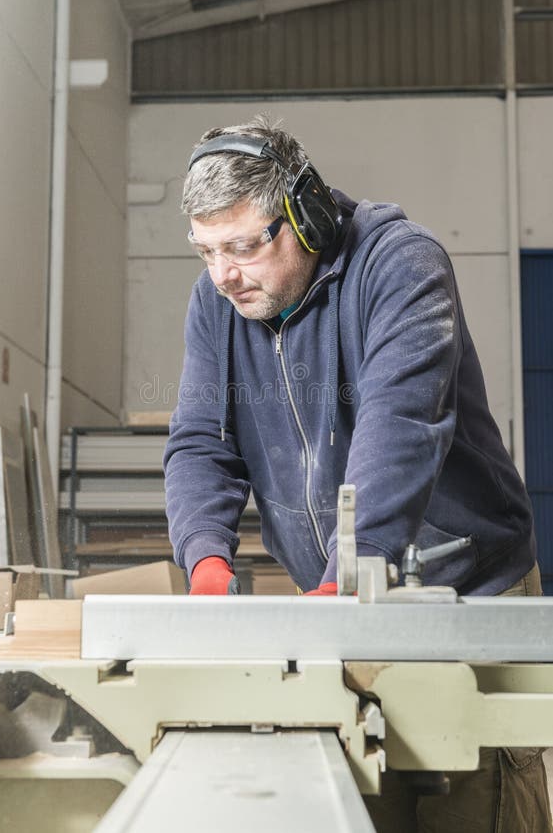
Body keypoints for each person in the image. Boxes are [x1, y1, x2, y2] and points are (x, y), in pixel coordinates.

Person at [163, 116, 550, 831]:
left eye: (243, 246)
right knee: (365, 805)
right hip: (338, 606)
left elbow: (399, 425)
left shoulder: (399, 265)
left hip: (463, 594)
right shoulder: (216, 306)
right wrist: (205, 562)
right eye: (206, 251)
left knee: (474, 806)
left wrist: (350, 569)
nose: (224, 276)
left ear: (304, 217)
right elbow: (199, 443)